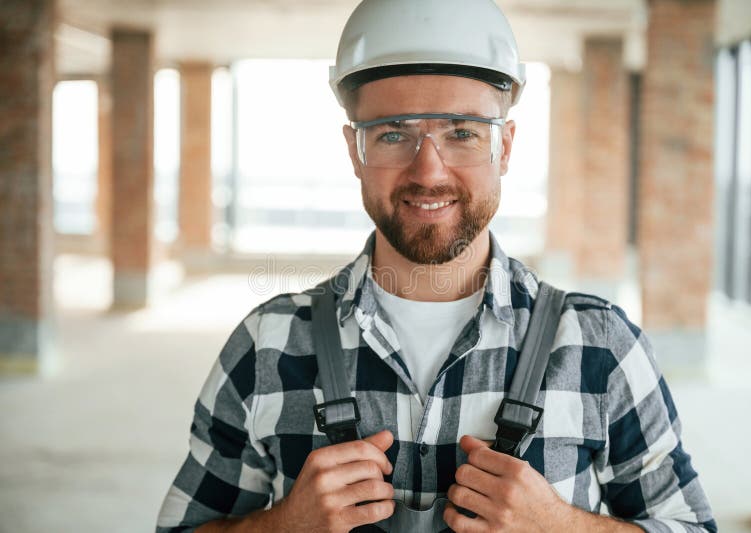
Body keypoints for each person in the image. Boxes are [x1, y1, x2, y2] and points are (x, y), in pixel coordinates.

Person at [156, 0, 717, 531]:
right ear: (355, 151)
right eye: (394, 133)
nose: (429, 170)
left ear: (507, 147)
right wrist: (283, 528)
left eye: (462, 133)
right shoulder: (267, 347)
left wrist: (561, 527)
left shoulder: (603, 348)